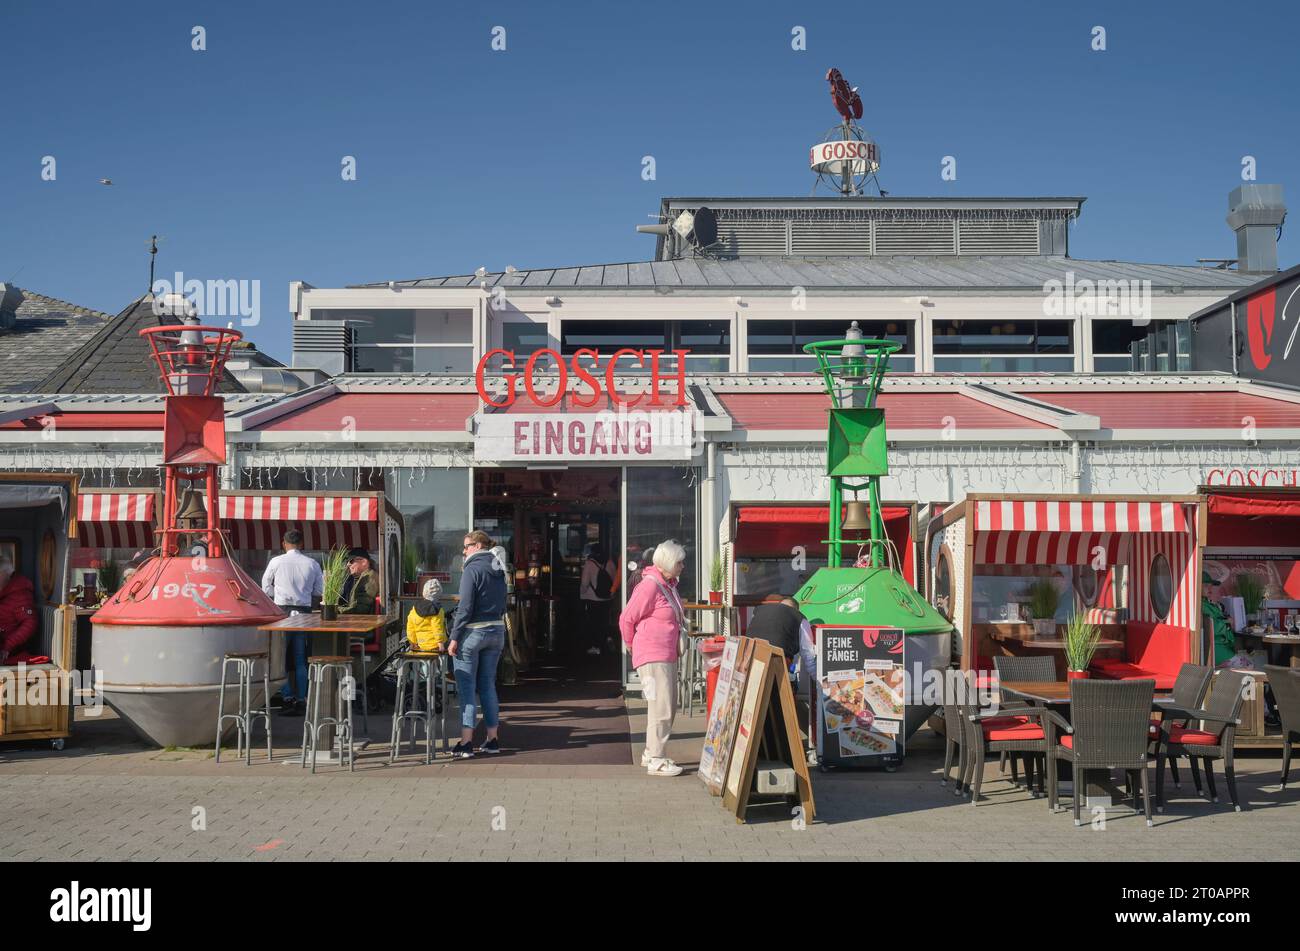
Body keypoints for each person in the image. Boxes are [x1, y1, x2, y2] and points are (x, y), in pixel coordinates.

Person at [619, 539, 688, 777]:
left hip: (660, 654)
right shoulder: (651, 586)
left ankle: (652, 753)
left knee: (661, 706)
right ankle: (656, 758)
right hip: (654, 654)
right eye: (679, 562)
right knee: (662, 707)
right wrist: (630, 645)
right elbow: (626, 618)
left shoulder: (665, 584)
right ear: (668, 563)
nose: (682, 566)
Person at [448, 530, 508, 759]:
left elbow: (464, 608)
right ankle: (492, 739)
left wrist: (454, 637)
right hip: (496, 630)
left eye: (467, 545)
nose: (464, 550)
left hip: (472, 633)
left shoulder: (471, 569)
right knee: (487, 686)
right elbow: (504, 601)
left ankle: (466, 743)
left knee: (466, 690)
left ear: (478, 545)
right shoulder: (499, 568)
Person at [261, 530, 324, 715]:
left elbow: (265, 587)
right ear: (301, 544)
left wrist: (277, 594)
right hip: (304, 614)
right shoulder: (311, 563)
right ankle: (302, 699)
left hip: (282, 612)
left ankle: (287, 697)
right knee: (301, 658)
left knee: (281, 658)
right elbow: (319, 590)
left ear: (284, 543)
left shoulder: (276, 561)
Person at [0, 554, 37, 665]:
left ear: (8, 574)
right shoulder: (3, 590)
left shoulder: (20, 594)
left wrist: (8, 646)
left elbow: (30, 623)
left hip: (9, 649)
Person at [579, 544, 615, 656]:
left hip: (592, 598)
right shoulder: (609, 562)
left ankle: (596, 646)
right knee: (604, 621)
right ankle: (607, 639)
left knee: (594, 623)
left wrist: (582, 593)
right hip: (607, 598)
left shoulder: (589, 564)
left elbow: (585, 582)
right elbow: (614, 578)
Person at [1202, 571, 1238, 667]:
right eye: (1206, 585)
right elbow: (1210, 626)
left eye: (1211, 586)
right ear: (1196, 586)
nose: (1210, 589)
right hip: (1216, 650)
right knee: (1250, 666)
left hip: (1224, 648)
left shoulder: (1208, 604)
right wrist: (1228, 623)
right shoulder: (1200, 605)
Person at [406, 577, 449, 652]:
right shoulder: (437, 610)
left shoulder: (414, 608)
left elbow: (410, 626)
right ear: (438, 595)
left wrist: (412, 642)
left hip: (420, 644)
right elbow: (437, 627)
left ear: (424, 593)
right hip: (435, 645)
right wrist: (440, 643)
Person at [340, 548, 380, 615]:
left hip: (365, 623)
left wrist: (337, 610)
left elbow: (362, 609)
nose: (348, 564)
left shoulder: (369, 578)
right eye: (347, 561)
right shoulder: (357, 578)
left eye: (351, 561)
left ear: (364, 562)